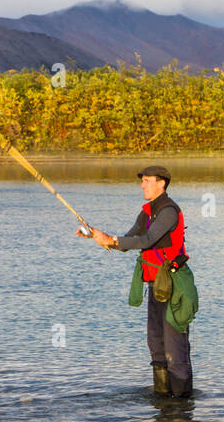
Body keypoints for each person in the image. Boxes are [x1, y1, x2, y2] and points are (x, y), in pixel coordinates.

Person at [77, 165, 194, 397]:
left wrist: (113, 239)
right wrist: (100, 237)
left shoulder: (169, 211)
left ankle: (180, 410)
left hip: (175, 287)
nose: (142, 185)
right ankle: (162, 403)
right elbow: (130, 240)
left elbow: (147, 240)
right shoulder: (146, 213)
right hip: (155, 286)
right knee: (156, 346)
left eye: (147, 180)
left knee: (175, 350)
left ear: (161, 183)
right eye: (142, 180)